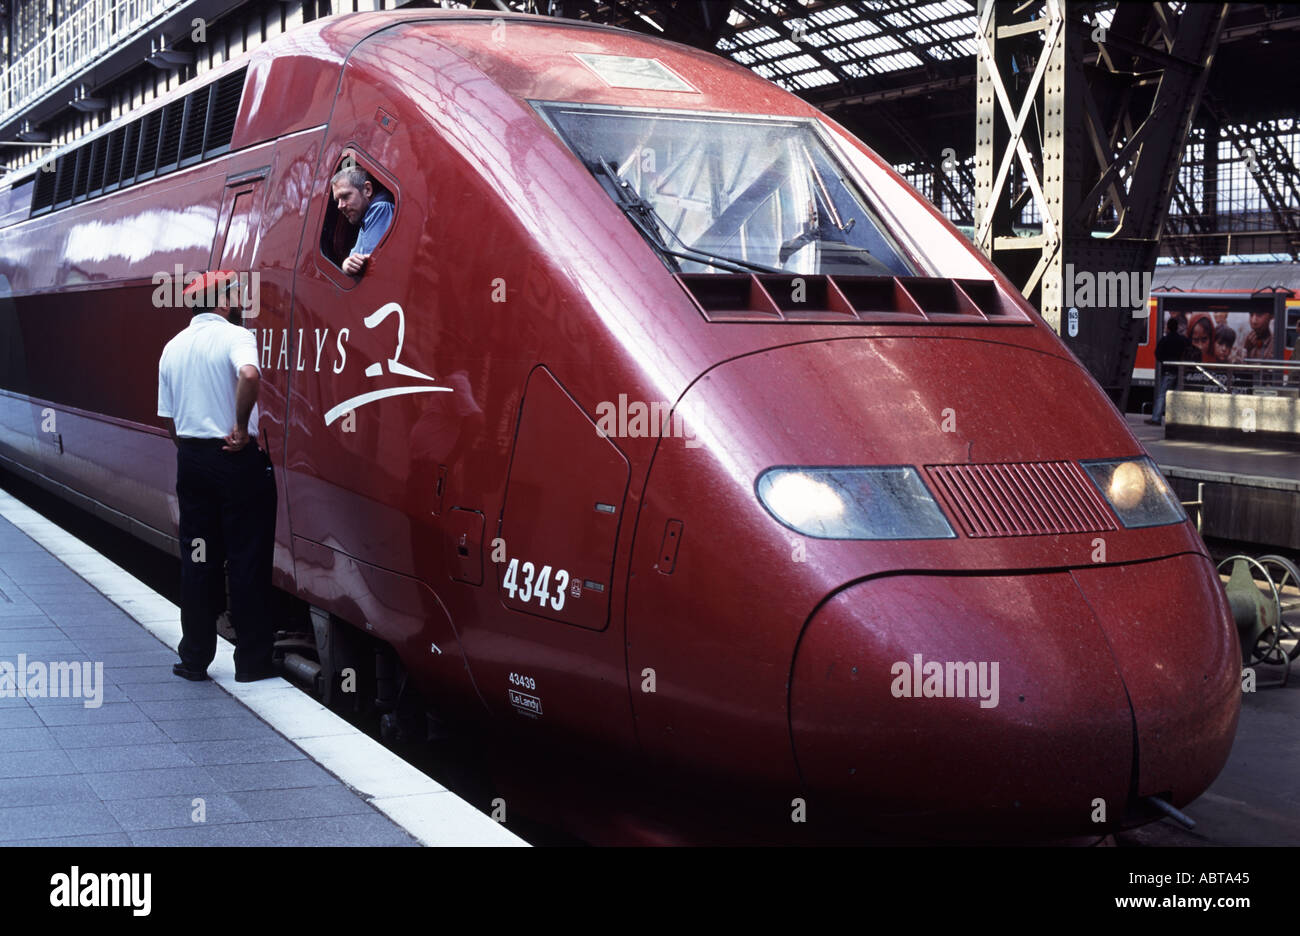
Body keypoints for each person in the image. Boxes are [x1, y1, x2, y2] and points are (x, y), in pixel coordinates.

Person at [157, 270, 277, 682]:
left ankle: (193, 660)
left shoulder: (172, 348)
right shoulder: (235, 336)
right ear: (223, 300)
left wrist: (192, 452)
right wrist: (241, 428)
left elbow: (170, 422)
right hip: (234, 460)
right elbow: (248, 375)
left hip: (191, 460)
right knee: (247, 558)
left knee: (198, 559)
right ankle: (252, 664)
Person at [330, 166, 394, 277]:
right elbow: (354, 259)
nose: (340, 206)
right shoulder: (365, 216)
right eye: (337, 201)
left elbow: (367, 264)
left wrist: (349, 265)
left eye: (345, 196)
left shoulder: (380, 208)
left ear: (367, 190)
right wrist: (346, 264)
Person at [1148, 316, 1192, 425]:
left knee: (1162, 395)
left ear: (1168, 327)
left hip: (1168, 370)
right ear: (1177, 327)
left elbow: (1157, 354)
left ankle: (1156, 418)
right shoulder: (1182, 340)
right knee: (1176, 395)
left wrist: (1164, 361)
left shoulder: (1165, 340)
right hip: (1180, 371)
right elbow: (1190, 347)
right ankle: (1175, 419)